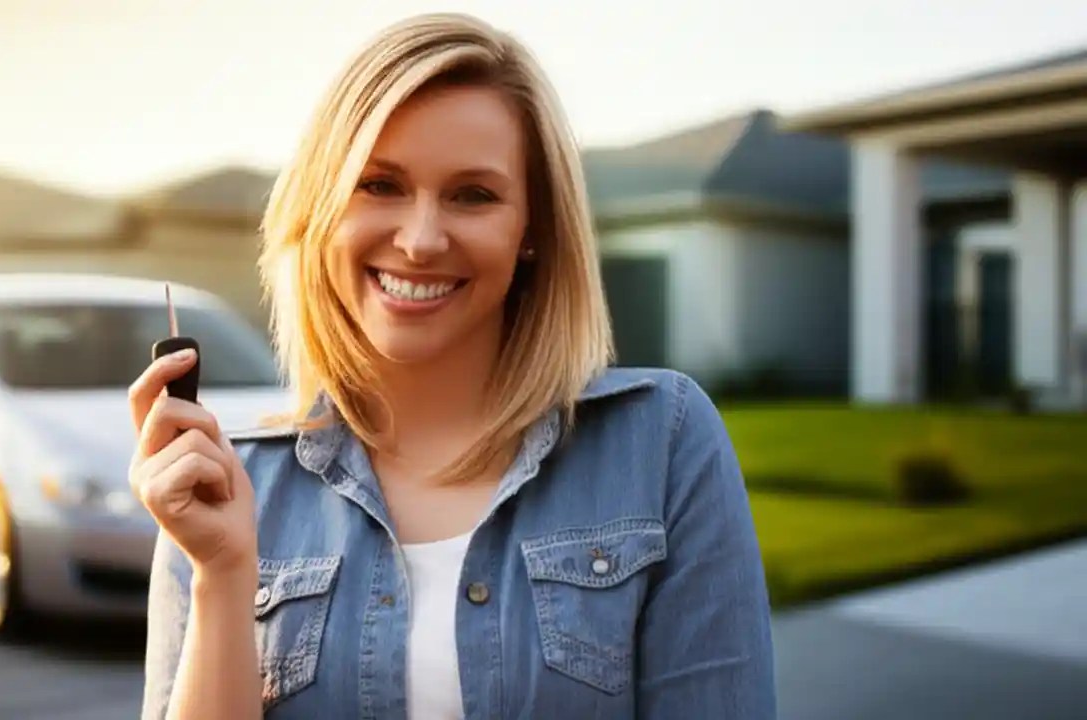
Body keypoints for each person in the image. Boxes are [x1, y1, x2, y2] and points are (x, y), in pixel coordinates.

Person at [131, 12, 776, 720]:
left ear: (531, 231)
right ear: (321, 208)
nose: (421, 239)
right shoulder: (226, 489)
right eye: (379, 184)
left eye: (474, 194)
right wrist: (223, 575)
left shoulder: (661, 442)